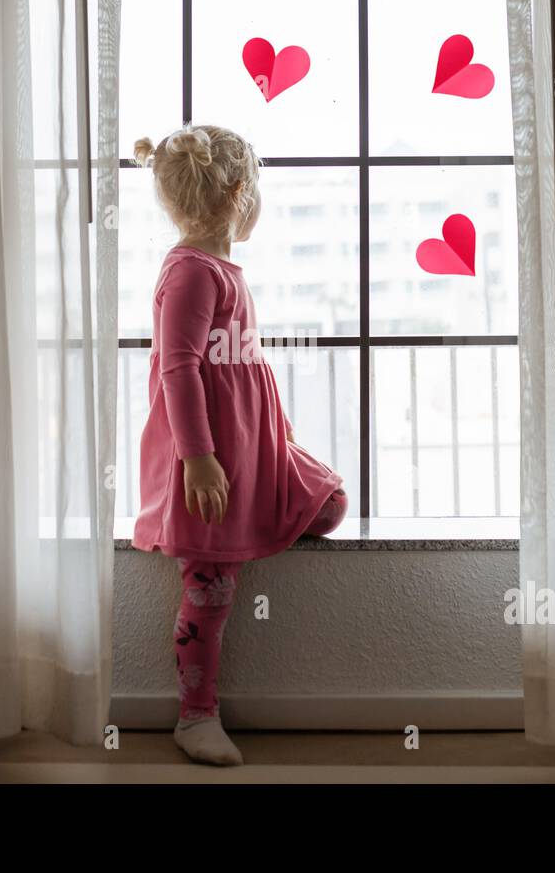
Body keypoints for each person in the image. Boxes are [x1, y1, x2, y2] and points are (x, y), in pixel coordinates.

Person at [130, 125, 348, 766]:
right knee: (211, 586)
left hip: (248, 449)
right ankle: (196, 715)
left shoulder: (221, 269)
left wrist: (270, 435)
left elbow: (236, 367)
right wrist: (198, 458)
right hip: (210, 462)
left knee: (329, 504)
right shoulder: (193, 273)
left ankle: (262, 501)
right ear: (238, 191)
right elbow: (179, 369)